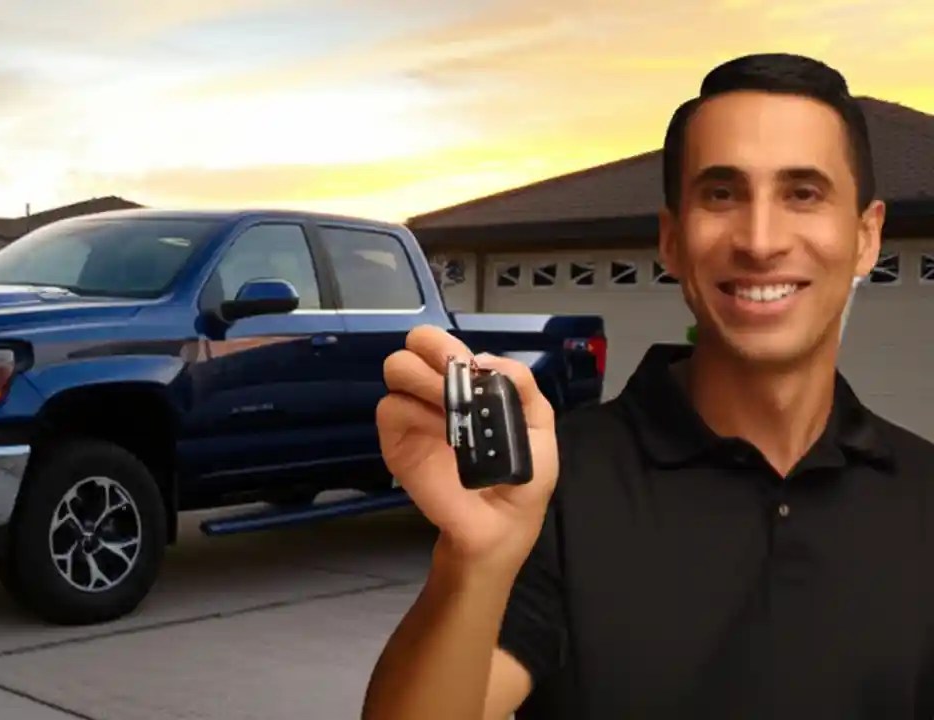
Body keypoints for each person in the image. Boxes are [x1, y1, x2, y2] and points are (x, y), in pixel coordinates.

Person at [361, 52, 934, 719]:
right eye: (722, 194)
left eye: (802, 193)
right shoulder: (553, 490)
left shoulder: (924, 496)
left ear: (866, 237)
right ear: (671, 239)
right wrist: (476, 558)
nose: (759, 240)